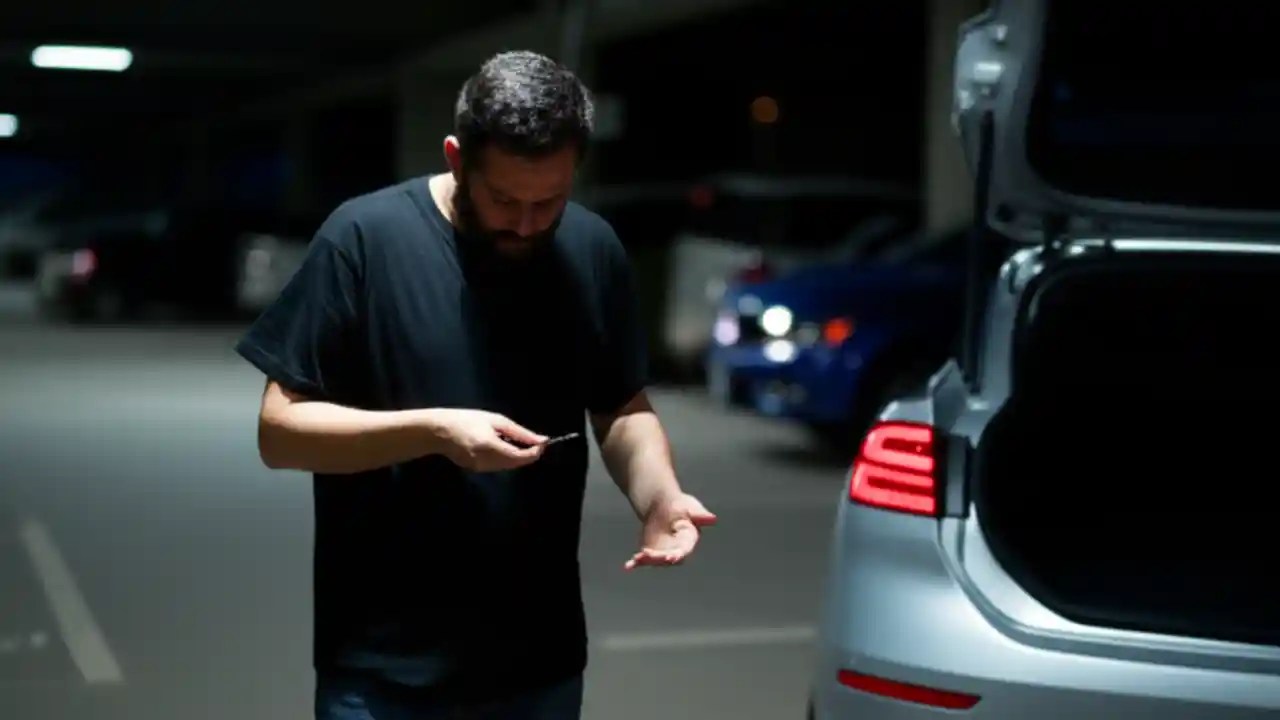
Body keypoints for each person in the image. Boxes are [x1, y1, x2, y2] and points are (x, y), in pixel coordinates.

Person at [234, 50, 717, 719]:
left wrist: (658, 496)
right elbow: (280, 432)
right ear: (457, 158)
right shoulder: (364, 238)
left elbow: (621, 408)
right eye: (504, 200)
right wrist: (435, 431)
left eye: (548, 201)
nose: (526, 223)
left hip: (539, 662)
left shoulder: (593, 248)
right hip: (382, 670)